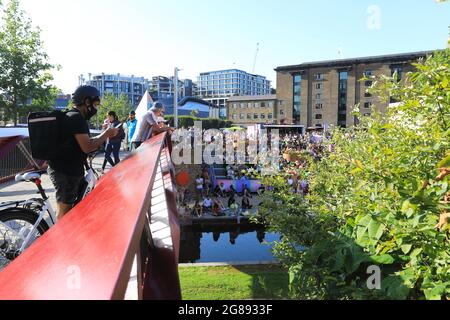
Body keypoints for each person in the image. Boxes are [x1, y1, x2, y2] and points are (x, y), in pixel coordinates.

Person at [47, 85, 118, 220]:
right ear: (87, 102)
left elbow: (84, 142)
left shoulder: (72, 116)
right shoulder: (76, 118)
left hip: (66, 169)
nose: (96, 108)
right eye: (95, 104)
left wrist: (103, 135)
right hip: (65, 171)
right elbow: (87, 146)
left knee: (73, 207)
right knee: (65, 213)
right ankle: (59, 238)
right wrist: (107, 134)